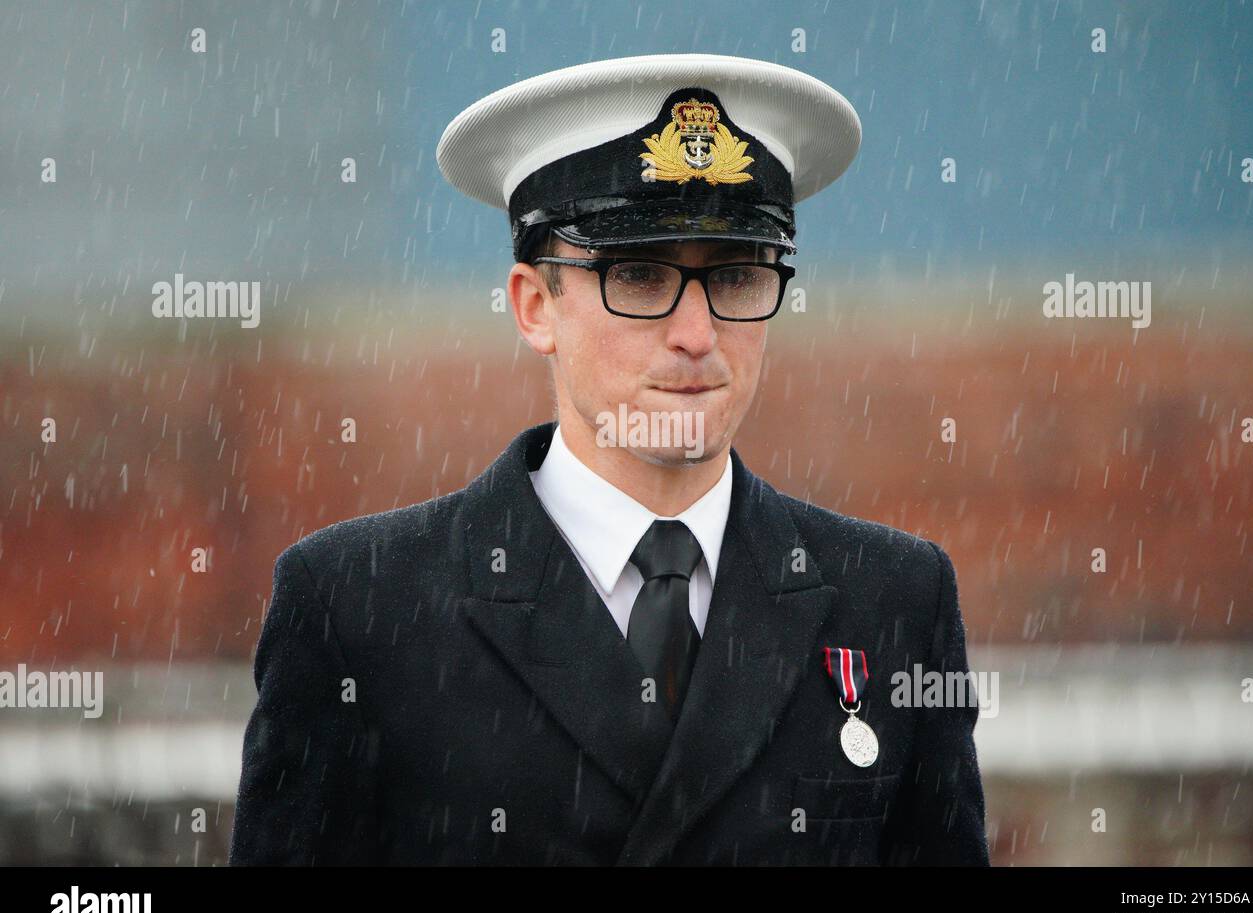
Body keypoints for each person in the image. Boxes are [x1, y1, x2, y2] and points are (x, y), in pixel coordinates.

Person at [229, 53, 989, 865]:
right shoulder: (360, 609)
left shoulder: (895, 602)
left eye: (734, 276)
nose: (697, 334)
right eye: (638, 273)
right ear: (533, 305)